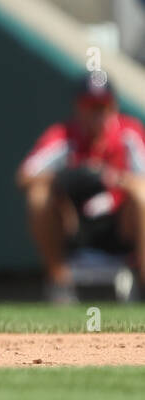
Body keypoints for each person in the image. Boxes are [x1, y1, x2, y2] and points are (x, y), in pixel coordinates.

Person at [18, 73, 145, 302]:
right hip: (77, 226)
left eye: (102, 105)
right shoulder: (64, 135)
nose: (97, 113)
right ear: (78, 107)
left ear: (113, 106)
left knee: (142, 195)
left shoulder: (128, 133)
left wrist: (113, 178)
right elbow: (25, 176)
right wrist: (69, 177)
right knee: (38, 196)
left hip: (120, 226)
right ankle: (59, 284)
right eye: (90, 106)